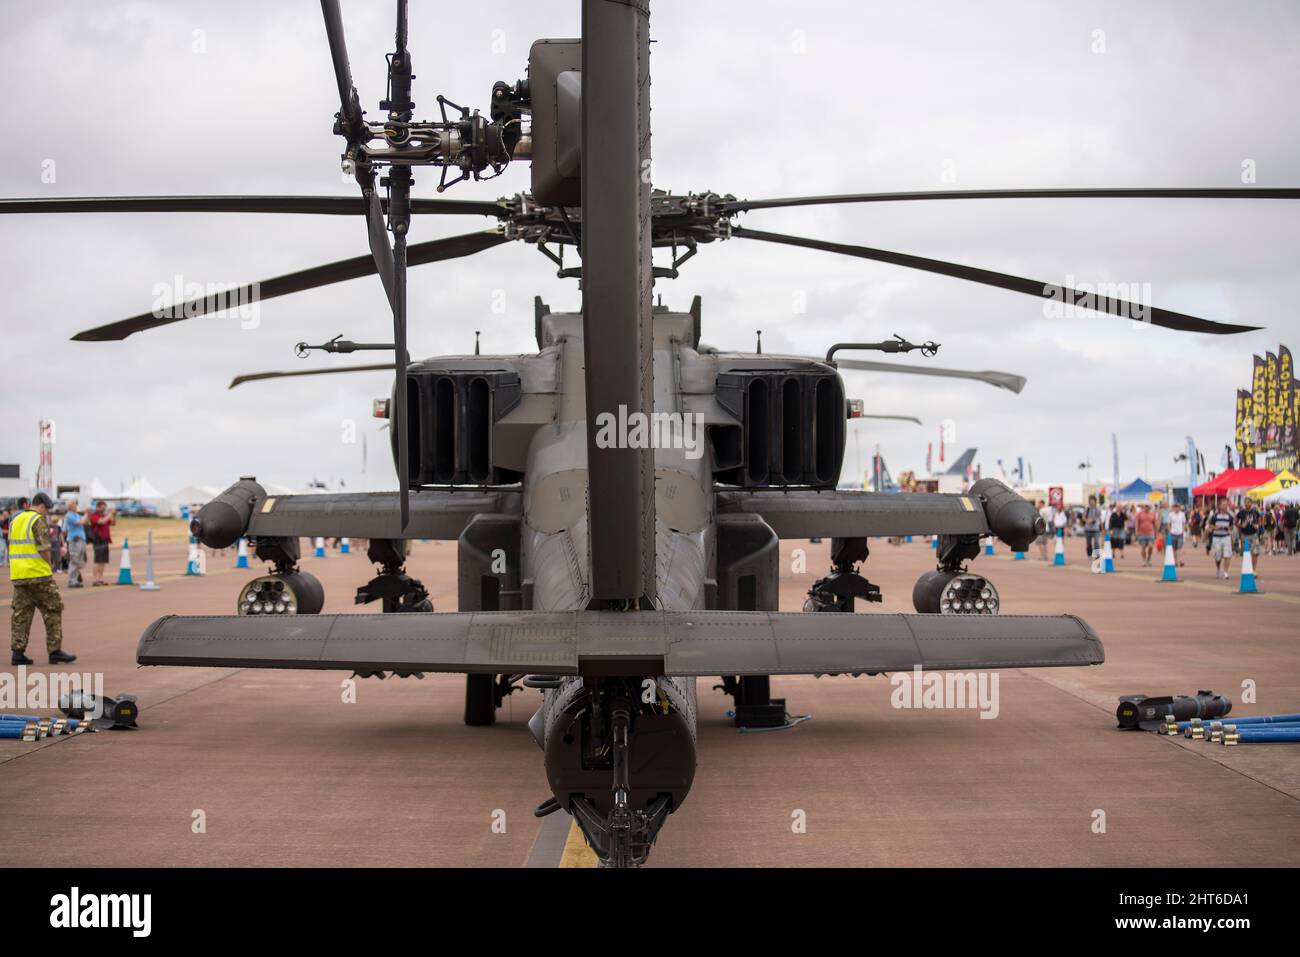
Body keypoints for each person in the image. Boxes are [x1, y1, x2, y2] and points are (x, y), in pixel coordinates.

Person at [8, 492, 77, 665]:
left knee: (21, 614)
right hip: (38, 574)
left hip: (19, 575)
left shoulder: (15, 520)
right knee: (53, 609)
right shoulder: (37, 520)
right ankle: (55, 651)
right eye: (46, 509)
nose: (46, 512)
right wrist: (51, 564)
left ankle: (18, 653)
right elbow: (44, 548)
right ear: (40, 505)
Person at [88, 500, 116, 586]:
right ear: (98, 507)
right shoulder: (94, 515)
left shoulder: (104, 516)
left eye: (105, 507)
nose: (104, 509)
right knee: (98, 560)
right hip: (97, 540)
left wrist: (114, 516)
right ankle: (95, 579)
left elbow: (113, 523)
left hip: (105, 540)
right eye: (102, 507)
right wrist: (110, 514)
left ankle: (100, 578)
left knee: (103, 561)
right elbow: (101, 522)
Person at [63, 498, 87, 587]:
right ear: (71, 506)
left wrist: (86, 514)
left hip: (80, 539)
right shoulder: (69, 516)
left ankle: (75, 580)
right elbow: (80, 522)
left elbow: (84, 521)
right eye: (75, 504)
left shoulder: (76, 514)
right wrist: (87, 514)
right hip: (74, 539)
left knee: (79, 561)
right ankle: (71, 581)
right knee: (74, 560)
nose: (76, 506)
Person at [1209, 500, 1234, 579]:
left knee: (1227, 555)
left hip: (1226, 537)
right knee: (1217, 557)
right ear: (1220, 506)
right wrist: (1216, 527)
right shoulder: (1215, 516)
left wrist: (1227, 528)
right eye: (1223, 505)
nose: (1225, 506)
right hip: (1216, 537)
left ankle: (1226, 572)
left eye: (1226, 505)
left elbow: (1231, 527)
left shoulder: (1229, 516)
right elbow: (1210, 525)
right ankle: (1218, 568)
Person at [1236, 499, 1262, 569]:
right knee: (1245, 553)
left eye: (1248, 502)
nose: (1246, 504)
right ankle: (1247, 568)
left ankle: (1254, 569)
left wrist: (1257, 525)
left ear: (1251, 503)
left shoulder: (1255, 512)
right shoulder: (1241, 512)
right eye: (1245, 502)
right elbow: (1236, 522)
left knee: (1255, 553)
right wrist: (1241, 525)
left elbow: (1260, 521)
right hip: (1244, 535)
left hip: (1254, 534)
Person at [1166, 502, 1187, 566]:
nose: (1176, 509)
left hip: (1180, 533)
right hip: (1173, 533)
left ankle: (1181, 560)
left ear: (1179, 508)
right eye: (1175, 507)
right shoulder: (1171, 514)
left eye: (1177, 507)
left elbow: (1184, 523)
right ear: (1173, 508)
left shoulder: (1182, 514)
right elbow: (1168, 523)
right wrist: (1169, 531)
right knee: (1174, 549)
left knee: (1180, 548)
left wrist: (1183, 530)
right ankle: (1175, 561)